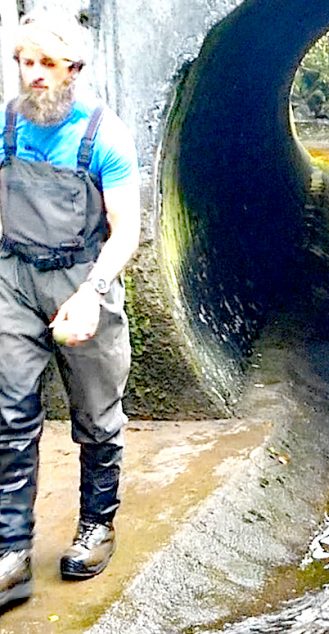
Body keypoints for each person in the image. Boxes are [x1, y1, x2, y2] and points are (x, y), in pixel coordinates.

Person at [0, 9, 140, 609]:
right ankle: (10, 552)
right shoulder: (7, 124)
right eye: (25, 63)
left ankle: (96, 525)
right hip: (14, 277)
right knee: (9, 413)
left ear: (74, 70)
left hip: (84, 276)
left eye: (46, 65)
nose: (33, 75)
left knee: (96, 412)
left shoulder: (102, 135)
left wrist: (93, 292)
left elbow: (126, 227)